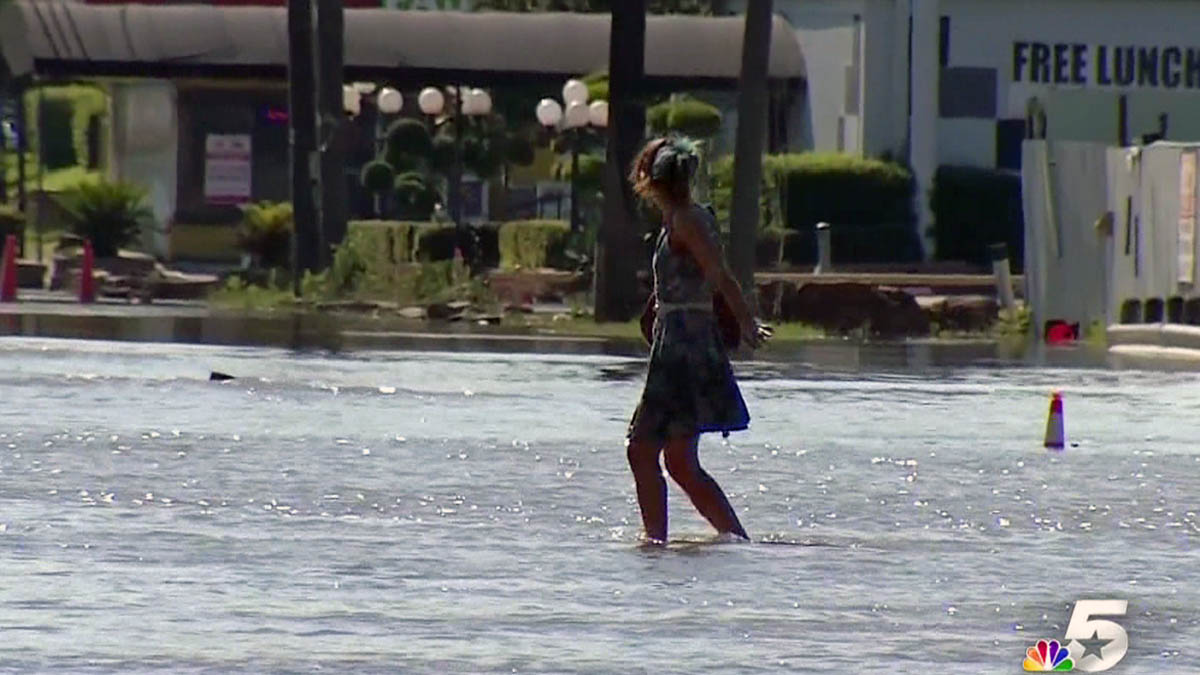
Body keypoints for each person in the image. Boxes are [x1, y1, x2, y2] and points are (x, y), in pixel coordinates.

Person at [624, 135, 772, 546]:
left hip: (685, 345)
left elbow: (718, 273)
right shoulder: (682, 218)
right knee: (676, 458)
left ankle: (659, 543)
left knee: (647, 450)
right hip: (676, 338)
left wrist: (746, 322)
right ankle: (726, 540)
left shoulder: (687, 220)